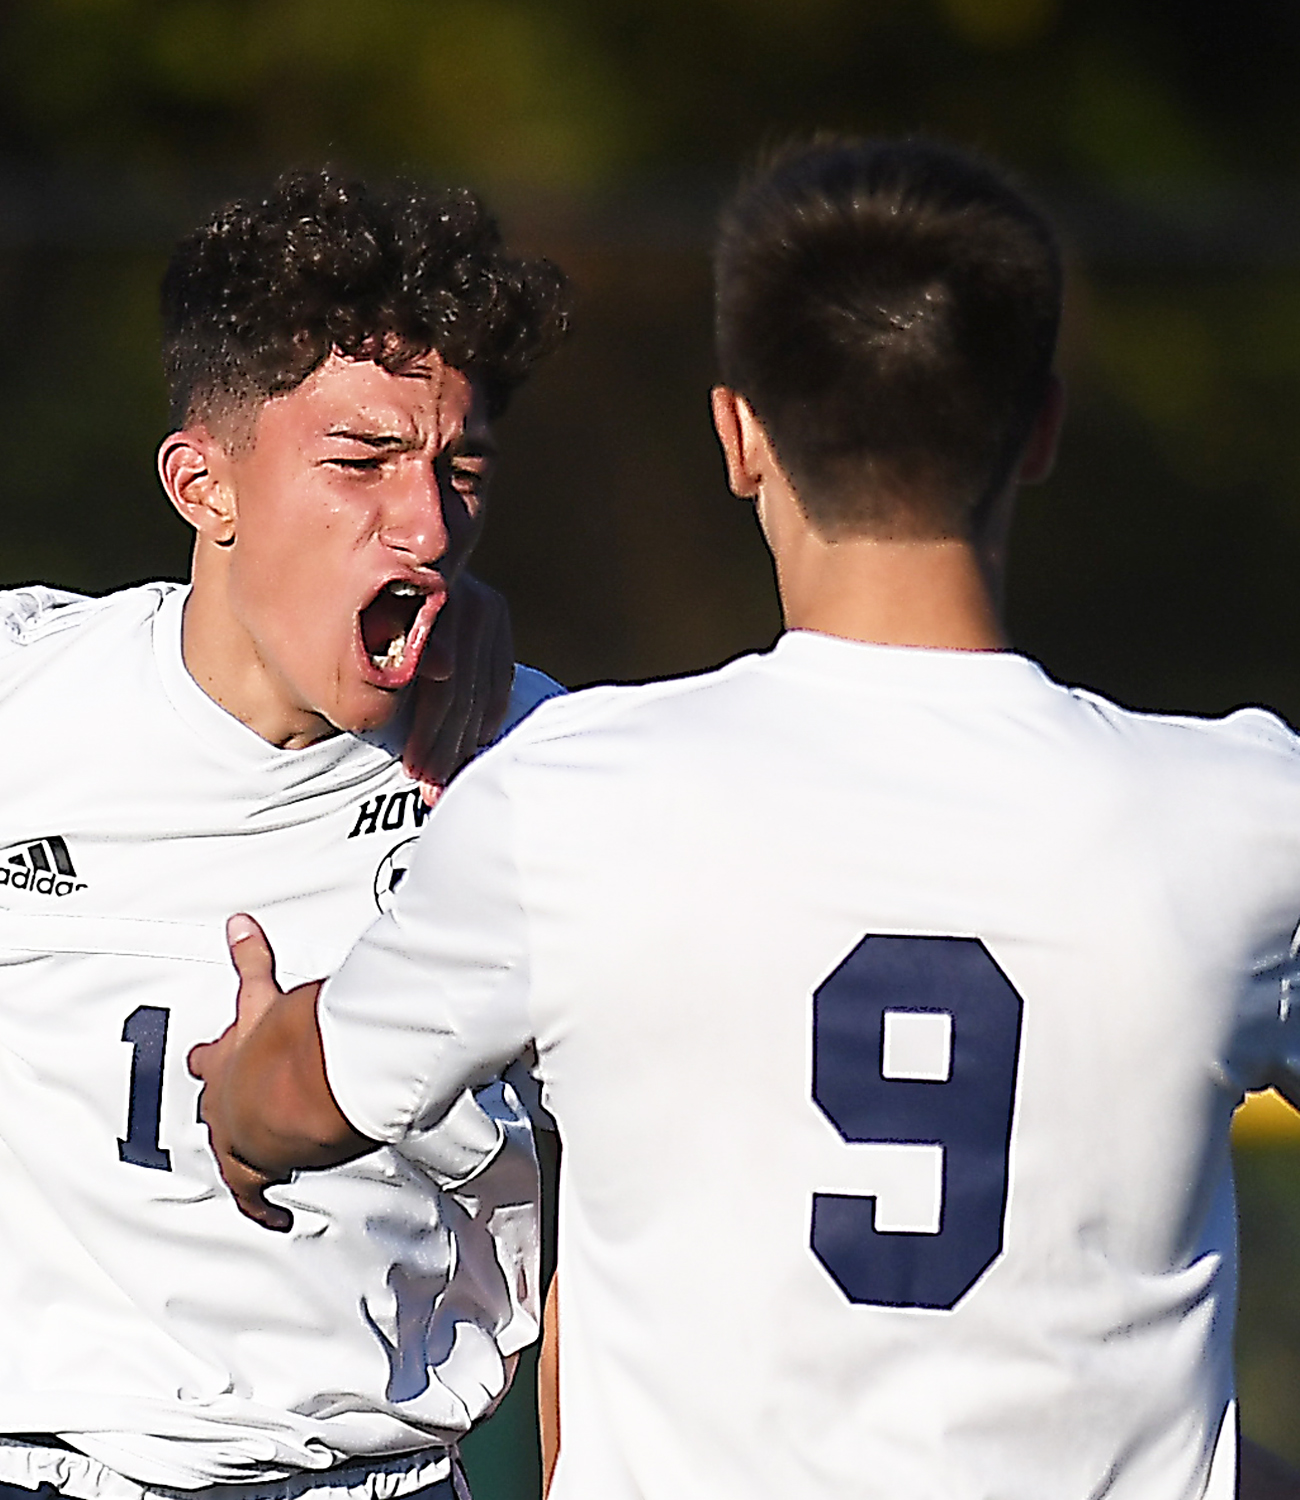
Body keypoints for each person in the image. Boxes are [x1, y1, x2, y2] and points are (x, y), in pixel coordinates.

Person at [193, 137, 1300, 1497]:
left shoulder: (583, 793)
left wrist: (245, 1084)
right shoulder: (1245, 817)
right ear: (1043, 427)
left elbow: (303, 1096)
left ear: (739, 435)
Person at [0, 168, 571, 1500]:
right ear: (204, 485)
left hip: (352, 1474)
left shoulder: (545, 781)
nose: (428, 525)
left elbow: (631, 1210)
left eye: (460, 468)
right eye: (361, 461)